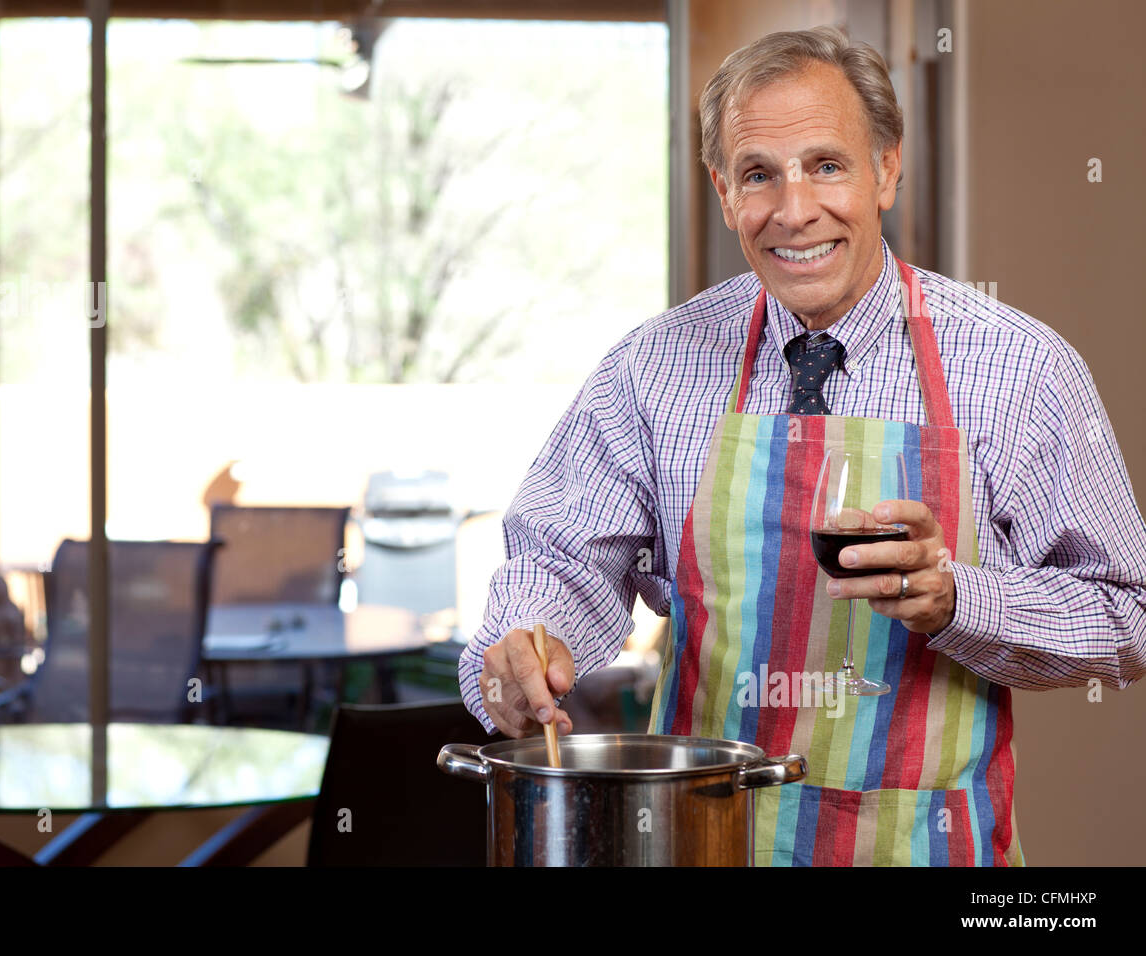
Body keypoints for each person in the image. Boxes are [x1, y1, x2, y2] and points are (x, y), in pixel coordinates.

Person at [458, 25, 1146, 866]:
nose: (794, 210)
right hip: (705, 843)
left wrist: (959, 602)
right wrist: (517, 662)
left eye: (826, 165)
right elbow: (559, 568)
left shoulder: (1021, 368)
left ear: (887, 169)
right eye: (758, 175)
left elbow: (1128, 613)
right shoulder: (651, 367)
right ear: (722, 190)